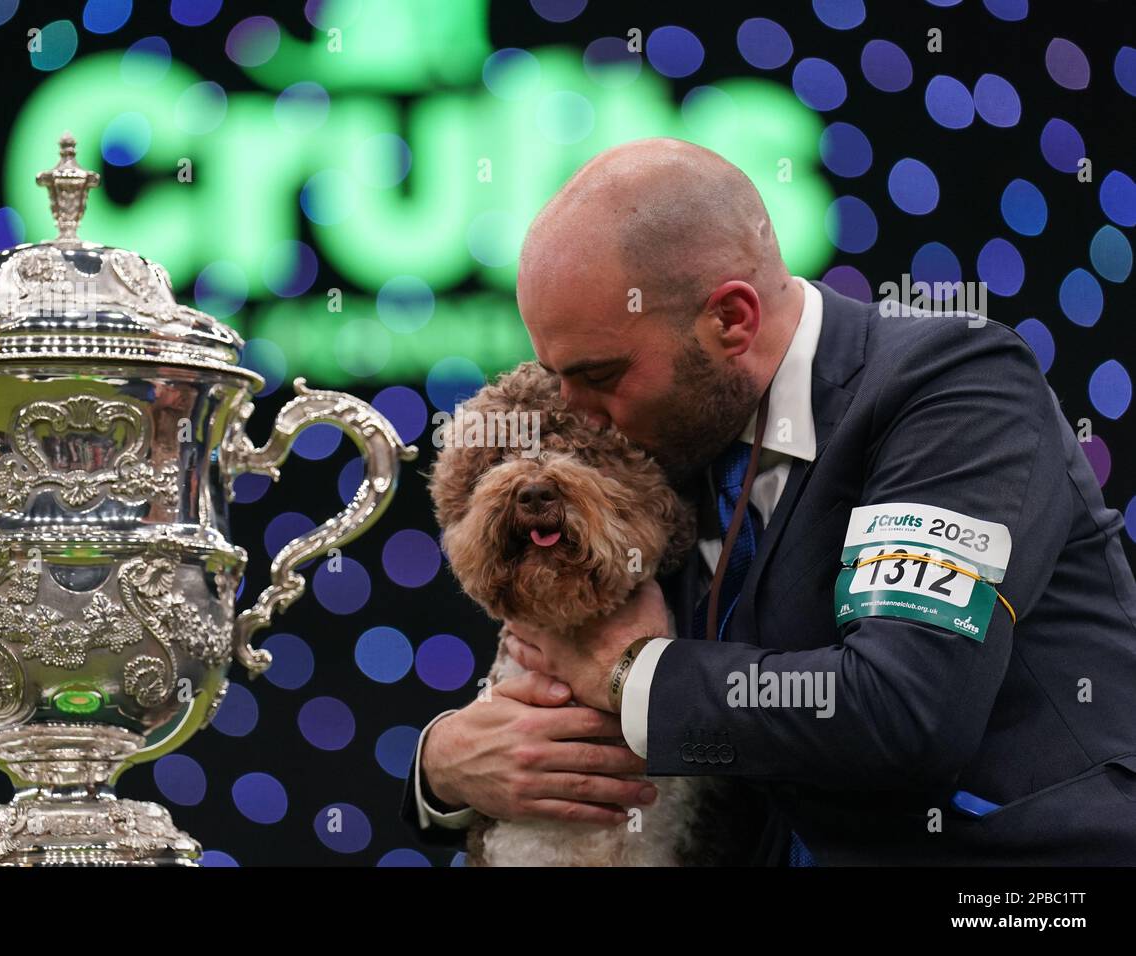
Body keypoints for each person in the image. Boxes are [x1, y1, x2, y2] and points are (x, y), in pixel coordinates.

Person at [400, 137, 1136, 864]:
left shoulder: (956, 389)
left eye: (600, 374)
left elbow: (902, 709)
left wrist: (634, 675)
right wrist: (447, 766)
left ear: (731, 319)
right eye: (559, 379)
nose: (579, 416)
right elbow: (557, 672)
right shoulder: (660, 429)